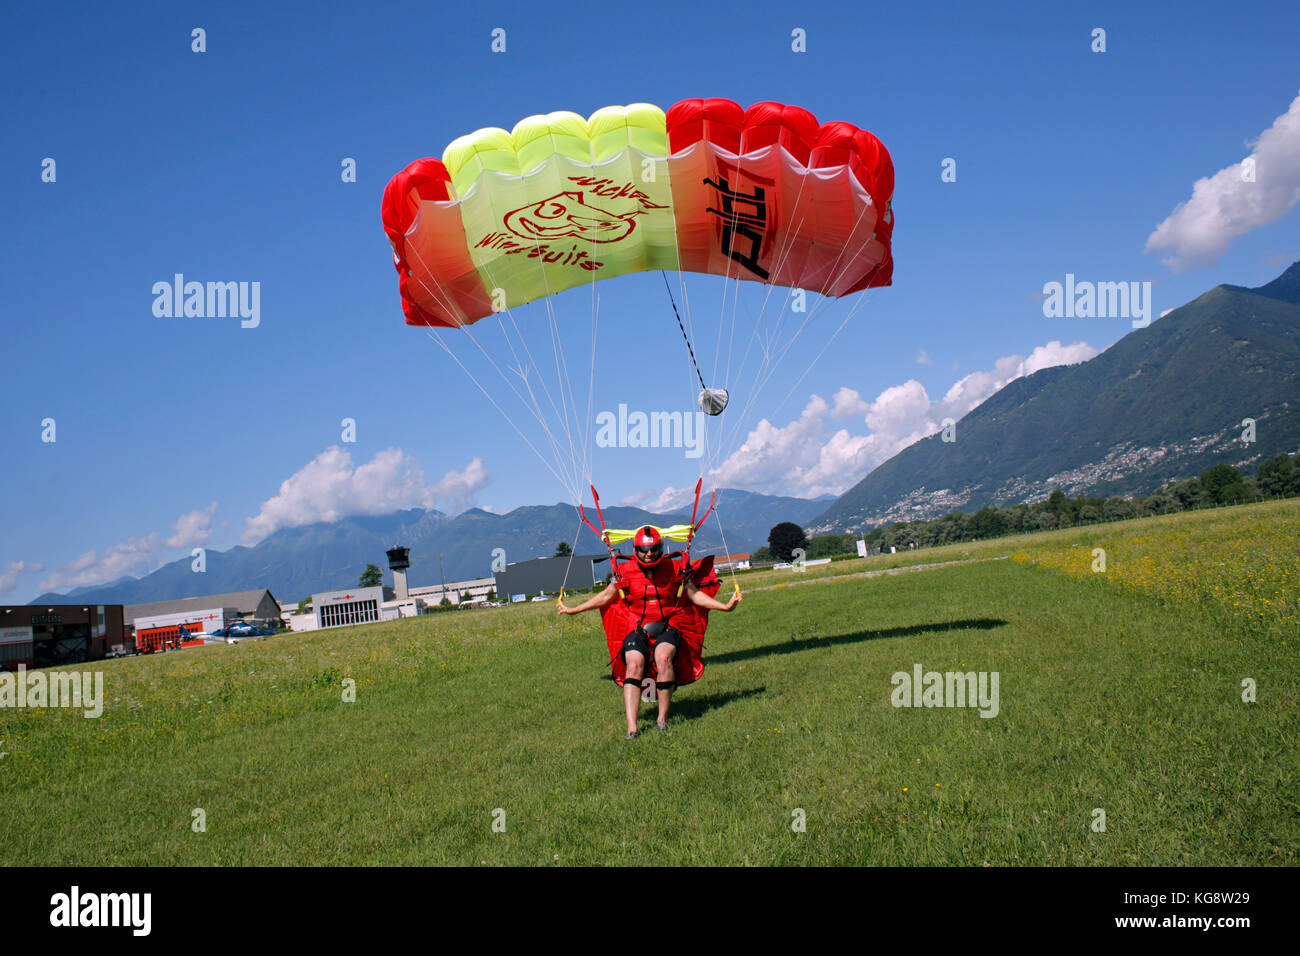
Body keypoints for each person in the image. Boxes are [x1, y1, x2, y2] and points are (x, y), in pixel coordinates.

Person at [557, 526, 741, 738]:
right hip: (637, 627)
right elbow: (606, 597)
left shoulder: (674, 568)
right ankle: (632, 728)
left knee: (663, 659)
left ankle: (662, 719)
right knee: (634, 665)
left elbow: (694, 595)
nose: (649, 554)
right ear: (636, 550)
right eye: (644, 550)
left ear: (660, 548)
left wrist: (725, 607)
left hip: (668, 625)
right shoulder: (624, 571)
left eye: (653, 549)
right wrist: (574, 609)